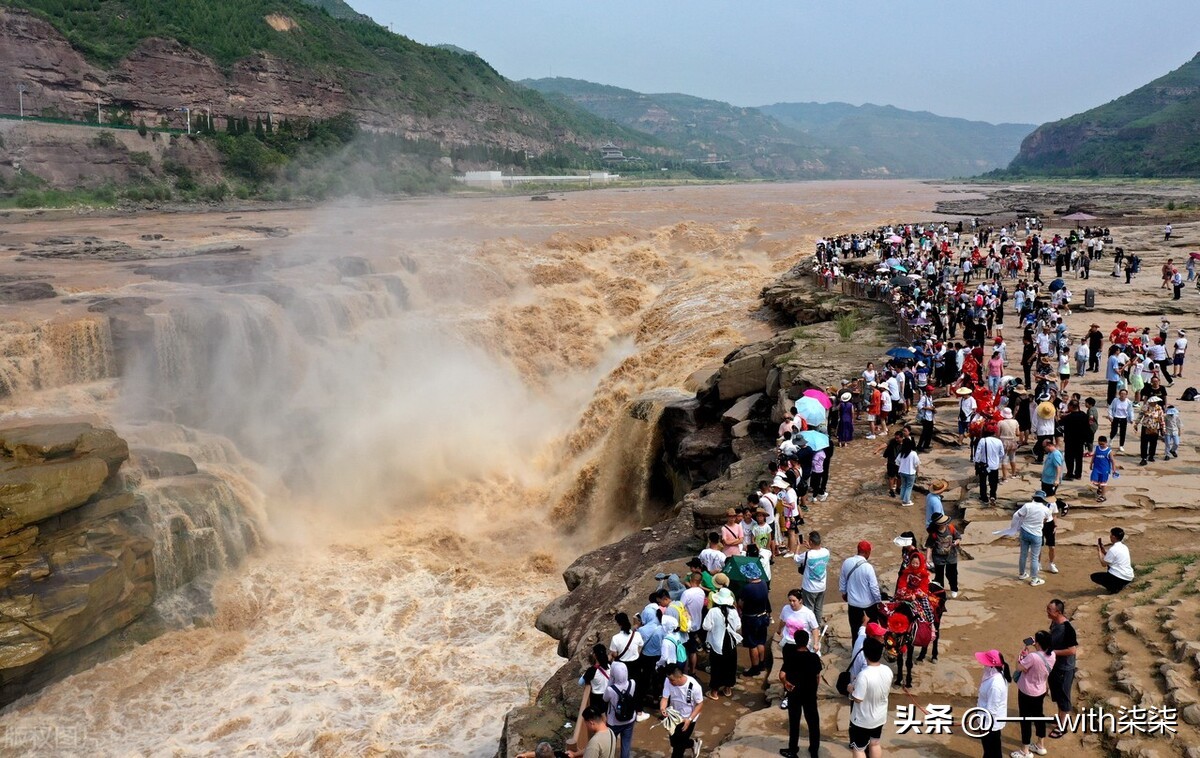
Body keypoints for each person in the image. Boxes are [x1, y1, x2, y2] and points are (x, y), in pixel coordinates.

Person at [779, 629, 822, 758]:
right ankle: (814, 750)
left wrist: (786, 684)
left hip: (794, 694)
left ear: (796, 642)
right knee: (813, 722)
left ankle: (793, 750)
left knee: (794, 722)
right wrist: (814, 687)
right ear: (807, 641)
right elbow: (817, 676)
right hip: (809, 693)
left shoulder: (791, 657)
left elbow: (782, 675)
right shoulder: (814, 657)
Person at [1013, 630, 1055, 758]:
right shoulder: (1052, 655)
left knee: (1025, 719)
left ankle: (1025, 750)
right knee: (1038, 716)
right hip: (1041, 690)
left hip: (1027, 691)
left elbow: (1019, 667)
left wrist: (1022, 656)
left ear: (1037, 643)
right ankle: (1040, 745)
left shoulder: (1033, 657)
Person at [848, 638, 892, 758]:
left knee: (859, 748)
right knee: (875, 743)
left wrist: (850, 689)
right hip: (880, 717)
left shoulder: (864, 675)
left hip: (863, 719)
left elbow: (858, 698)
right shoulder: (887, 670)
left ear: (865, 653)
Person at [1046, 599, 1078, 740]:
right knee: (1058, 694)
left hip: (1064, 668)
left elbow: (1072, 651)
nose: (1047, 611)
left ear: (1058, 612)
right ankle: (1060, 717)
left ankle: (1062, 726)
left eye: (1049, 609)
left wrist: (1052, 652)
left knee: (1064, 696)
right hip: (1055, 666)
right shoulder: (1054, 622)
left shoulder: (1067, 628)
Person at [701, 587, 740, 699]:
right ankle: (728, 688)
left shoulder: (713, 612)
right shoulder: (733, 611)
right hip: (730, 642)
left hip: (717, 643)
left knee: (716, 666)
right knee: (730, 666)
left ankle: (714, 691)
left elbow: (706, 626)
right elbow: (738, 626)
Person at [658, 664, 704, 758]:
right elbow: (665, 698)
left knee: (678, 749)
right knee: (674, 742)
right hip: (674, 717)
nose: (670, 682)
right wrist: (663, 708)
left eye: (672, 680)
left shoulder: (694, 686)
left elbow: (700, 704)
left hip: (688, 718)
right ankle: (693, 743)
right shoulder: (668, 681)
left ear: (679, 676)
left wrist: (689, 719)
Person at [840, 541, 882, 641]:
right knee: (872, 631)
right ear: (868, 552)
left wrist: (844, 594)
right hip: (869, 605)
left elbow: (842, 581)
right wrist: (878, 601)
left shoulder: (847, 562)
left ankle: (856, 652)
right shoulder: (868, 567)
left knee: (855, 632)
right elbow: (874, 587)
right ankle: (870, 652)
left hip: (853, 605)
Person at [974, 649, 1011, 758]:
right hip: (989, 721)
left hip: (990, 724)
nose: (983, 664)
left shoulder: (995, 685)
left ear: (992, 666)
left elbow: (992, 710)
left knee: (990, 750)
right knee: (993, 749)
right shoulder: (995, 674)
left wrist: (985, 726)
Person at [737, 560, 771, 677]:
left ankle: (755, 668)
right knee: (761, 641)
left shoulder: (747, 588)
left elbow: (741, 603)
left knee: (752, 644)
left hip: (750, 619)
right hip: (762, 616)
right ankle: (761, 664)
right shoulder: (764, 584)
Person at [1012, 492, 1052, 586]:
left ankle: (1022, 574)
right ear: (1043, 499)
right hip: (1036, 534)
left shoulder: (1027, 505)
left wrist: (1016, 526)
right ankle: (1034, 579)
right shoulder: (1046, 509)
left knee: (1023, 554)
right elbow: (1048, 520)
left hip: (1025, 531)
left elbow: (1018, 515)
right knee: (1034, 557)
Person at [601, 663, 636, 758]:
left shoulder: (610, 690)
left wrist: (610, 680)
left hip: (614, 722)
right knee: (626, 744)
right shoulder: (632, 683)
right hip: (630, 719)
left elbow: (604, 699)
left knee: (612, 744)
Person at [795, 532, 830, 622]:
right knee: (818, 608)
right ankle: (818, 626)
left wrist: (798, 547)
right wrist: (811, 548)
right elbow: (817, 552)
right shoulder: (826, 552)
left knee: (809, 610)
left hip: (809, 588)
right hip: (821, 586)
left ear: (810, 541)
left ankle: (811, 627)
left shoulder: (808, 554)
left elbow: (796, 559)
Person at [925, 513, 961, 597]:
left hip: (951, 555)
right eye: (943, 522)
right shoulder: (933, 533)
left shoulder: (951, 528)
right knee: (939, 576)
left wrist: (956, 542)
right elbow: (929, 546)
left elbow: (958, 537)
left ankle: (954, 588)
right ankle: (940, 592)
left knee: (952, 573)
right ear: (938, 524)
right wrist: (928, 558)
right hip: (938, 557)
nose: (945, 523)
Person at [1092, 527, 1135, 593]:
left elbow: (1103, 564)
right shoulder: (1124, 547)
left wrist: (1099, 551)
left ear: (1114, 537)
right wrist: (1104, 552)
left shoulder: (1113, 549)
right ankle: (1116, 585)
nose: (1110, 536)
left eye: (1111, 535)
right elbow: (1112, 558)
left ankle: (1114, 588)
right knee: (1110, 567)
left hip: (1120, 577)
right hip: (1128, 577)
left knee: (1094, 576)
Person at [974, 428, 1005, 507]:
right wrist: (997, 459)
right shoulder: (999, 441)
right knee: (993, 482)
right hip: (994, 465)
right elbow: (1002, 454)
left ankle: (984, 497)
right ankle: (993, 495)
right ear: (994, 433)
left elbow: (978, 452)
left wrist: (976, 462)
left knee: (983, 481)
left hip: (984, 465)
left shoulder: (982, 440)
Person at [1137, 397, 1166, 466]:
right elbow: (1140, 416)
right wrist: (1136, 424)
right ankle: (1144, 458)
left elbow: (1161, 418)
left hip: (1155, 427)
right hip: (1146, 426)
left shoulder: (1159, 408)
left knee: (1153, 443)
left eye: (1156, 402)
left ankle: (1151, 456)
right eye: (1154, 402)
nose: (1155, 403)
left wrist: (1163, 428)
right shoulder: (1145, 407)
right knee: (1144, 443)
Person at [895, 436, 920, 507]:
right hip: (910, 473)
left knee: (904, 485)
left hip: (902, 472)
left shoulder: (901, 454)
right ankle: (906, 501)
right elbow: (917, 464)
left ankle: (903, 498)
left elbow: (897, 462)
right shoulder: (913, 453)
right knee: (909, 487)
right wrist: (917, 472)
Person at [1108, 388, 1132, 452]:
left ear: (1126, 395)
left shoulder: (1128, 402)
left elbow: (1130, 411)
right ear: (1119, 394)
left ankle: (1121, 445)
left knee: (1123, 432)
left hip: (1124, 418)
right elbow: (1110, 408)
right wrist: (1110, 416)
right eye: (1121, 393)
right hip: (1116, 417)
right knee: (1114, 431)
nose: (1122, 395)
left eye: (1124, 394)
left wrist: (1131, 419)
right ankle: (1110, 441)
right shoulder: (1115, 400)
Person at [915, 384, 936, 452]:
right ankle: (920, 446)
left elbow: (931, 405)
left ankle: (926, 445)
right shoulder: (924, 398)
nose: (932, 392)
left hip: (930, 417)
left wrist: (933, 409)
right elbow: (919, 406)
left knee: (930, 432)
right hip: (925, 417)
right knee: (924, 432)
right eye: (931, 391)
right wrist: (928, 408)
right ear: (928, 391)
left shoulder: (930, 397)